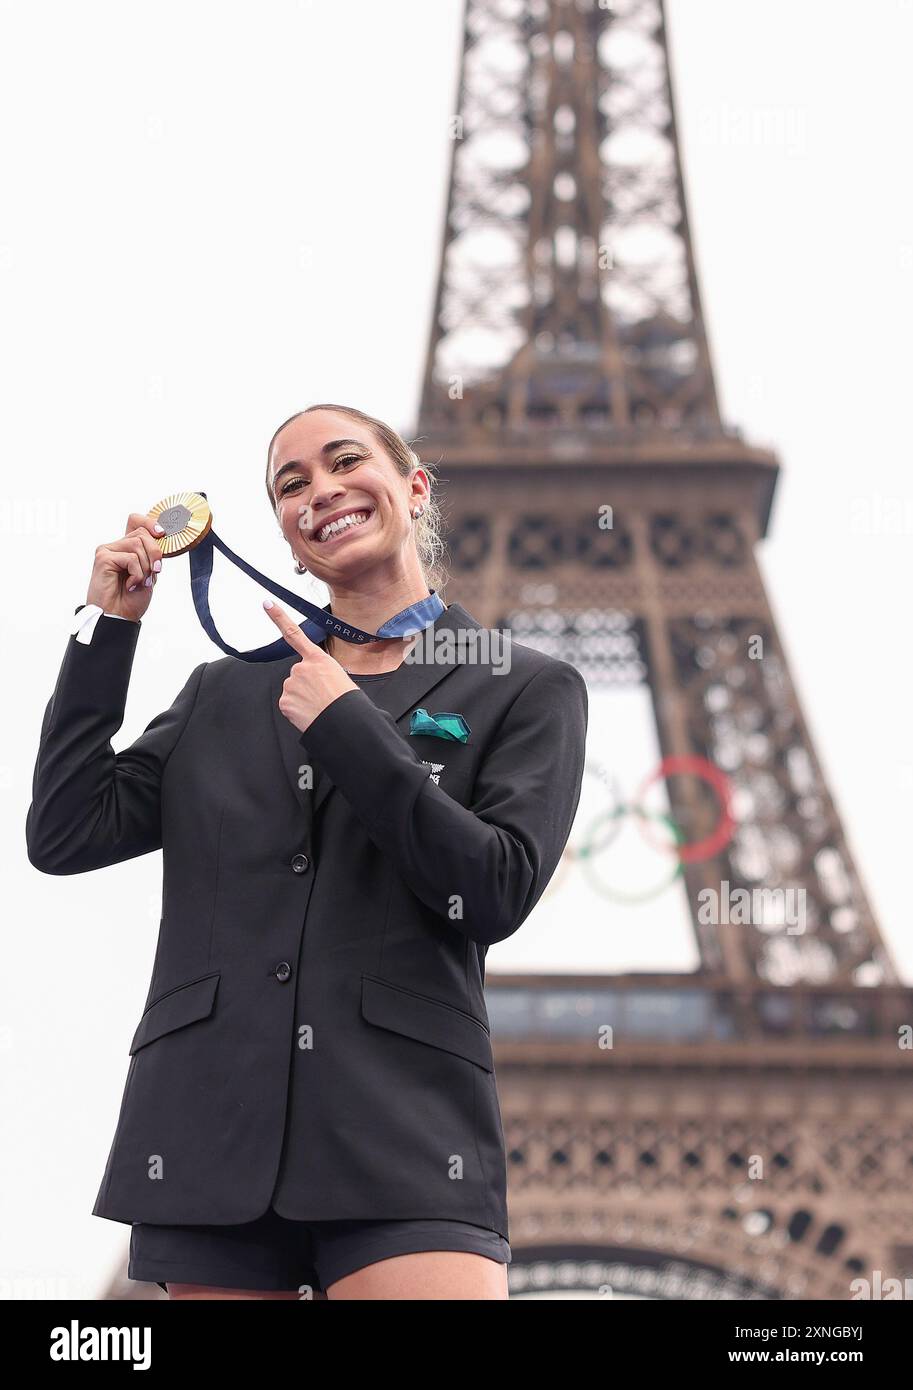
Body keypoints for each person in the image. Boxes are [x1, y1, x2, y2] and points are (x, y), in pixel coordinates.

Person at [26, 403, 589, 1300]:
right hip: (210, 1127)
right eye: (292, 484)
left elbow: (493, 888)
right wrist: (107, 630)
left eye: (343, 461)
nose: (320, 489)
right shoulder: (223, 691)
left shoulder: (521, 685)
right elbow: (64, 832)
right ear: (289, 539)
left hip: (403, 1131)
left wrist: (346, 727)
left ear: (413, 488)